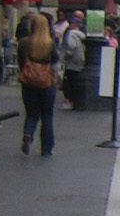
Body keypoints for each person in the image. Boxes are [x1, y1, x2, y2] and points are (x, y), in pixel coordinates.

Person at [17, 10, 60, 156]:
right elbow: (55, 64)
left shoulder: (24, 43)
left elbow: (21, 64)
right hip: (46, 83)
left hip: (28, 83)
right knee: (47, 116)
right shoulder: (50, 44)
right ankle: (47, 149)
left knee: (31, 114)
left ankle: (28, 133)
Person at [60, 12, 86, 110]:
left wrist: (66, 56)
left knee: (67, 83)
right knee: (75, 82)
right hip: (80, 61)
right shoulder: (81, 34)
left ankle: (69, 101)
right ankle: (75, 101)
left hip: (71, 62)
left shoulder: (70, 33)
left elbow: (71, 46)